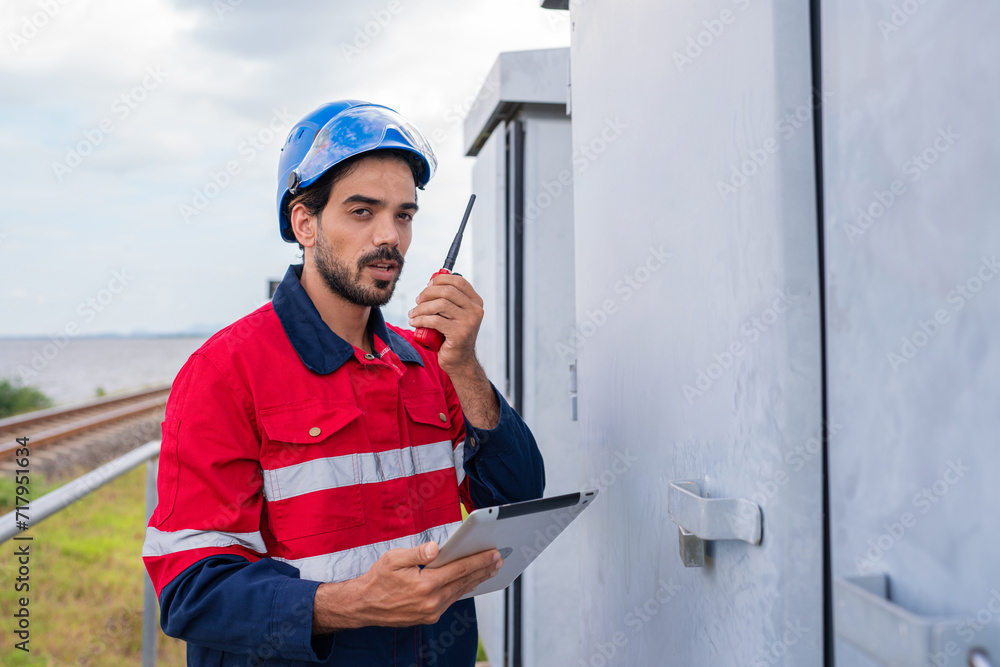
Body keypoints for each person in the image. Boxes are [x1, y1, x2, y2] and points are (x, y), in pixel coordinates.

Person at [142, 100, 545, 666]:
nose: (390, 237)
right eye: (362, 211)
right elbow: (191, 593)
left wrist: (466, 366)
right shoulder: (225, 372)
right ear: (304, 222)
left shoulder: (431, 365)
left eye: (404, 215)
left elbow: (518, 501)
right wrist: (354, 604)